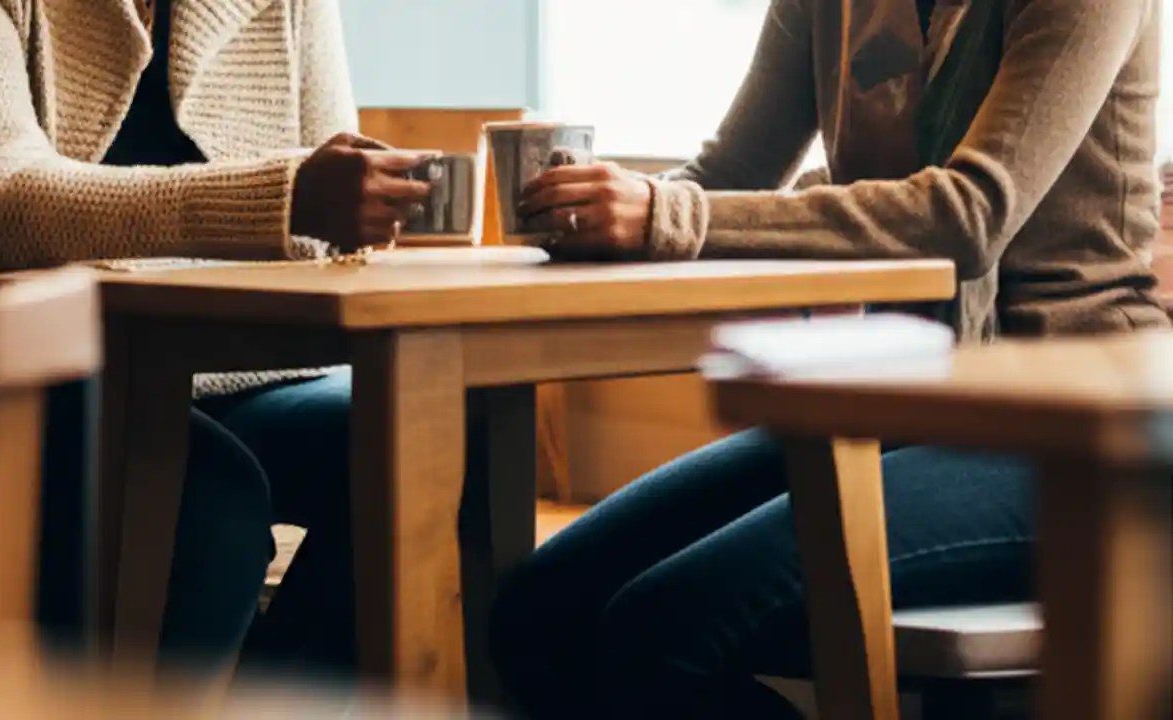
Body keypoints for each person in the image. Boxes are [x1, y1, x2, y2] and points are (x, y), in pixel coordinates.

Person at [490, 0, 1171, 716]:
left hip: (1085, 425)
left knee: (662, 625)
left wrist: (663, 215)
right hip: (909, 397)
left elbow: (970, 214)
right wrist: (602, 216)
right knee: (539, 613)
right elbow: (732, 171)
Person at [0, 0, 431, 672]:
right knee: (207, 510)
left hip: (253, 367)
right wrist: (279, 197)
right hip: (28, 374)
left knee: (422, 443)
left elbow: (337, 221)